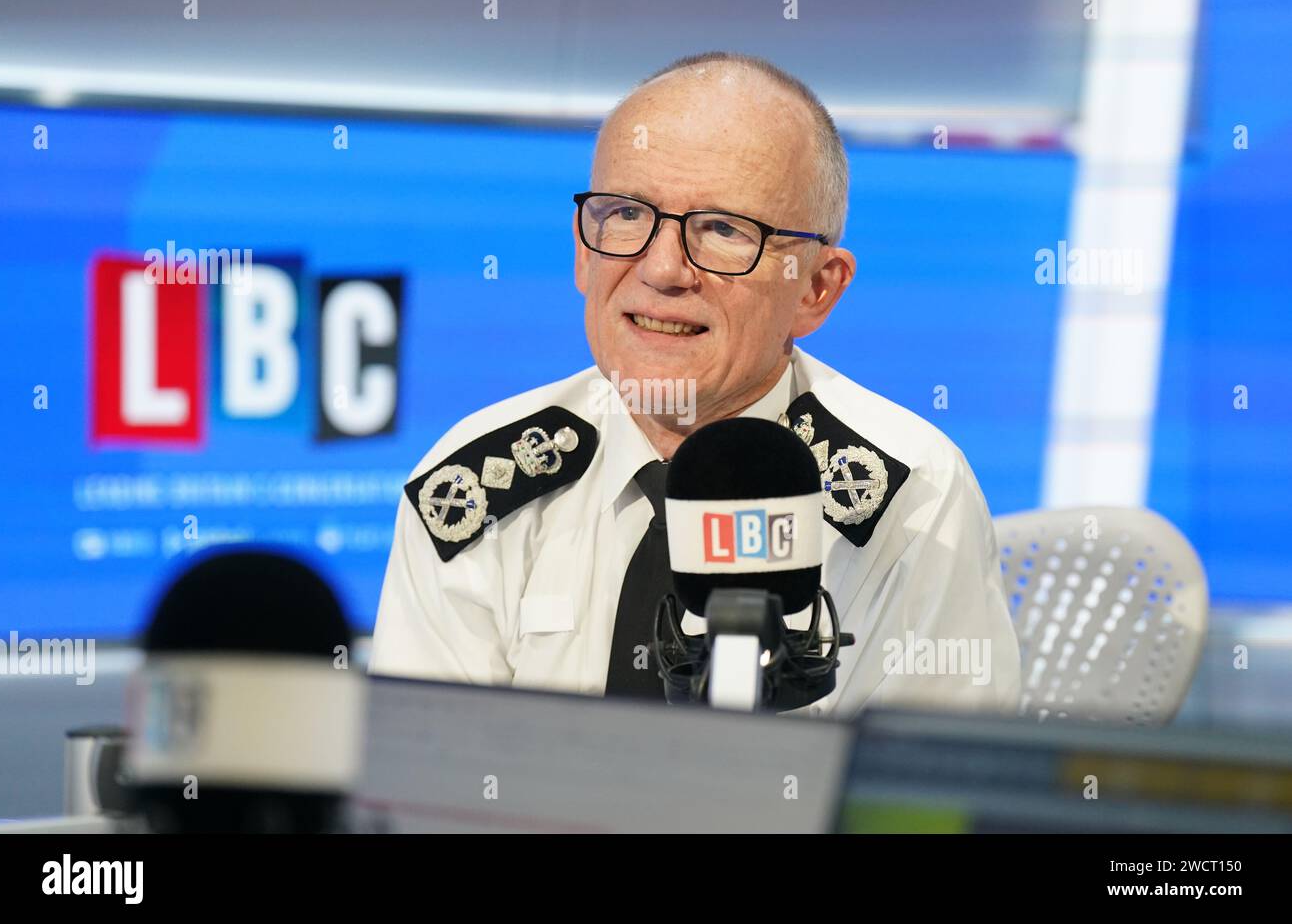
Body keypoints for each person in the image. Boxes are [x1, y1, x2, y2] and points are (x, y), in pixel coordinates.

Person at [370, 51, 1020, 718]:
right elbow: (422, 780)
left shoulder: (912, 496)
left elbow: (920, 803)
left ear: (817, 289)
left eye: (722, 229)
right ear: (582, 251)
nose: (662, 269)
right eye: (625, 214)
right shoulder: (472, 482)